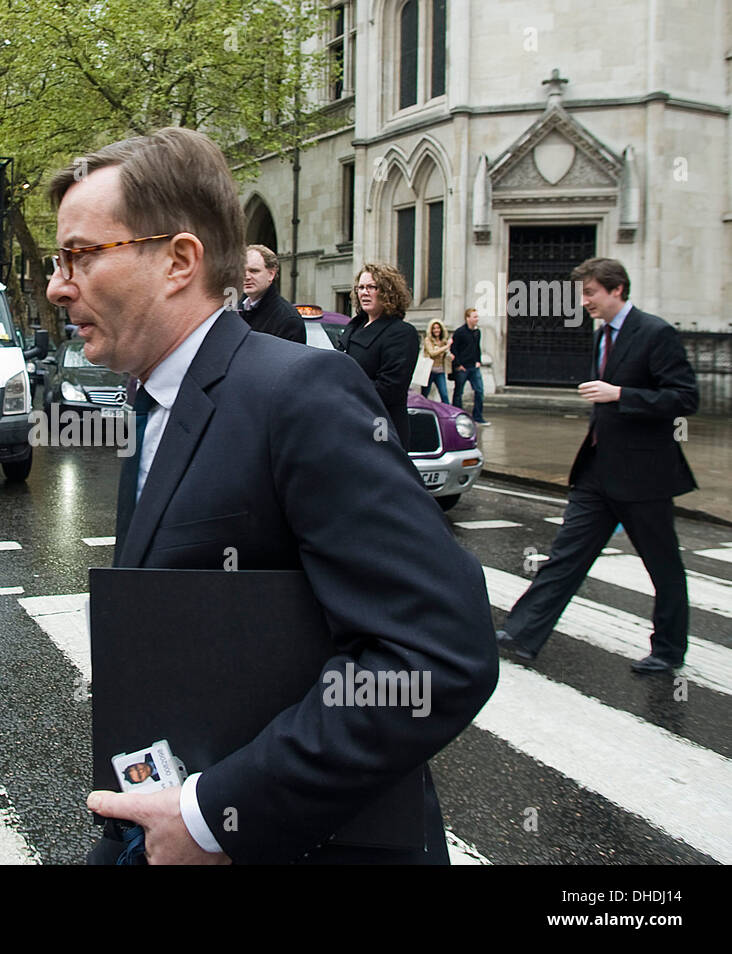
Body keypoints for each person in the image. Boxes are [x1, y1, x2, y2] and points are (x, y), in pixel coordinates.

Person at [46, 128, 497, 865]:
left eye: (81, 255)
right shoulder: (154, 401)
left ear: (179, 261)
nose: (58, 285)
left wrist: (212, 816)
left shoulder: (299, 393)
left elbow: (435, 654)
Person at [497, 258, 698, 674]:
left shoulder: (655, 333)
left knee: (662, 566)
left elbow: (684, 398)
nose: (583, 301)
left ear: (617, 290)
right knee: (565, 557)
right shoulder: (602, 334)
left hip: (644, 476)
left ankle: (668, 650)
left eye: (589, 293)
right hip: (597, 471)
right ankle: (521, 634)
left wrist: (621, 393)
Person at [336, 263, 420, 447]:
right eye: (361, 288)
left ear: (388, 291)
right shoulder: (354, 326)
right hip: (350, 420)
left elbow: (390, 388)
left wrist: (344, 391)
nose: (364, 293)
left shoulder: (401, 333)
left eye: (372, 287)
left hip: (380, 426)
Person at [239, 244, 305, 343]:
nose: (247, 277)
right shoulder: (234, 310)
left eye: (254, 271)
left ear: (271, 274)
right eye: (242, 271)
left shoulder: (288, 319)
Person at [450, 307, 489, 424]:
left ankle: (478, 416)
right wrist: (458, 365)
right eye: (475, 317)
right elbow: (454, 349)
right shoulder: (459, 332)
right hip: (462, 367)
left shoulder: (477, 332)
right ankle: (458, 417)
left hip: (473, 366)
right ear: (468, 318)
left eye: (477, 316)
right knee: (458, 393)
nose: (477, 319)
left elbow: (477, 348)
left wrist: (478, 361)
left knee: (479, 390)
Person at [421, 320, 451, 401]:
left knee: (444, 395)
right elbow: (432, 353)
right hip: (429, 372)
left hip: (440, 371)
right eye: (434, 328)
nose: (436, 330)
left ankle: (446, 413)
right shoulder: (428, 340)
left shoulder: (443, 341)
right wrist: (446, 347)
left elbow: (446, 355)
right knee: (424, 395)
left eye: (438, 328)